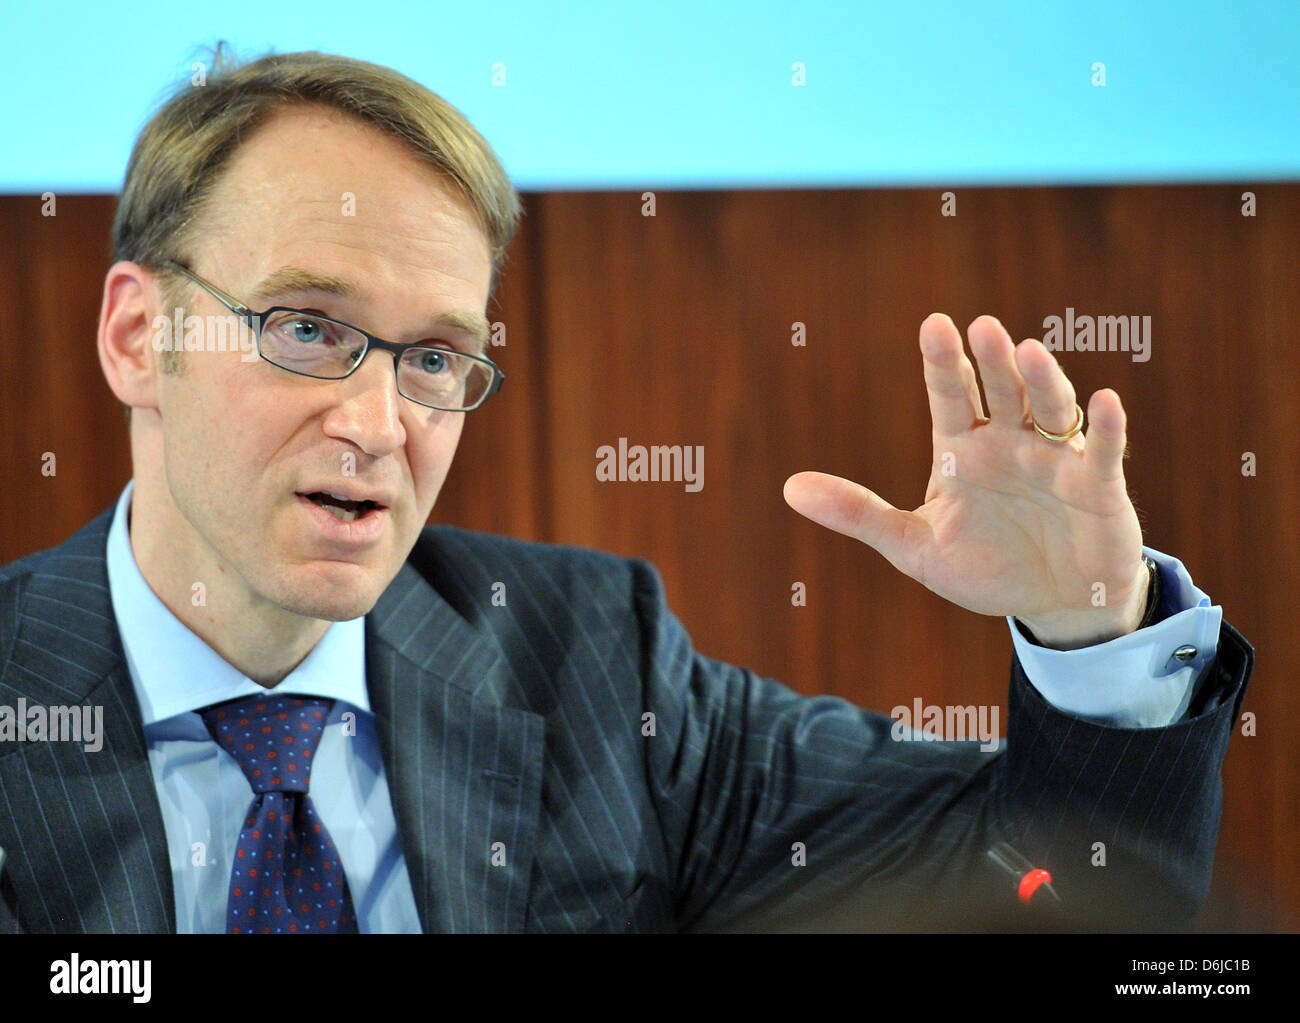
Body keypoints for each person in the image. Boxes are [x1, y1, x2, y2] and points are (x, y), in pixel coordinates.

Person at [0, 49, 1252, 934]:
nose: (381, 424)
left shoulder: (595, 667)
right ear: (137, 335)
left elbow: (1059, 890)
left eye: (434, 357)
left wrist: (1087, 622)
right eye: (310, 330)